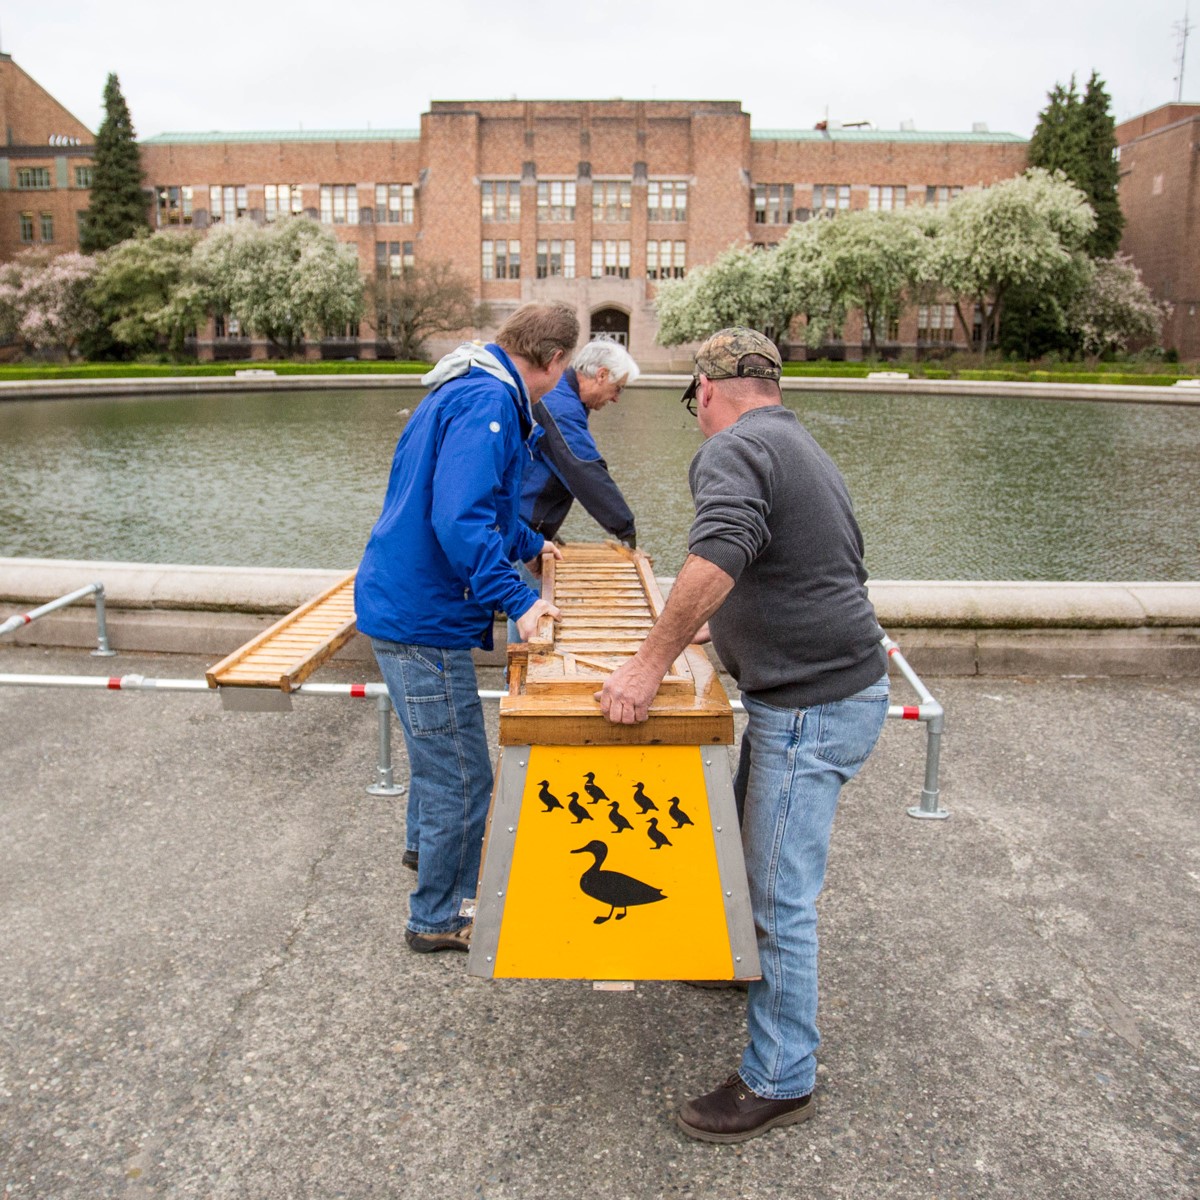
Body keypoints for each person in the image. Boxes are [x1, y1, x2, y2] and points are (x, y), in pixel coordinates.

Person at [597, 327, 889, 1143]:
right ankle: (737, 966)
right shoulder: (797, 443)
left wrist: (648, 665)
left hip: (811, 705)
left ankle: (782, 1074)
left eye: (695, 400)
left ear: (711, 390)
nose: (698, 414)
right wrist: (713, 637)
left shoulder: (732, 448)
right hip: (826, 691)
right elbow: (806, 568)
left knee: (774, 894)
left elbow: (722, 551)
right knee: (736, 847)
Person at [355, 302, 580, 954]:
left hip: (406, 604)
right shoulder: (487, 402)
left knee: (437, 760)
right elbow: (460, 522)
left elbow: (482, 505)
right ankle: (438, 913)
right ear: (556, 361)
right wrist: (521, 599)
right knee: (462, 775)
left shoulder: (473, 386)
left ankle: (427, 854)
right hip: (421, 617)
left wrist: (531, 542)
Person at [519, 338, 640, 548]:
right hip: (518, 528)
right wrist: (625, 528)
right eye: (617, 388)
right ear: (601, 375)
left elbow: (548, 463)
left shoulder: (565, 398)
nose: (616, 398)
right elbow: (583, 468)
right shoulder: (561, 407)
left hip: (526, 527)